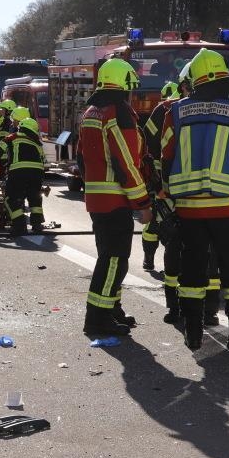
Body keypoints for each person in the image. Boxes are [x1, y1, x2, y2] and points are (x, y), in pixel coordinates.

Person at [161, 48, 229, 351]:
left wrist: (170, 200)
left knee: (192, 272)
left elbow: (166, 160)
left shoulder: (175, 112)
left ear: (195, 79)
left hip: (189, 211)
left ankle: (193, 333)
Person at [79, 58, 152, 337]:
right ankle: (98, 319)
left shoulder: (91, 112)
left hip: (97, 198)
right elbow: (126, 162)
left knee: (109, 259)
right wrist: (142, 203)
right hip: (116, 199)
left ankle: (111, 310)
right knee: (114, 261)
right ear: (124, 85)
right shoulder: (118, 112)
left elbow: (82, 158)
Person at [140, 80, 182, 271]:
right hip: (176, 178)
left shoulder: (161, 109)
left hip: (159, 177)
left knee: (157, 220)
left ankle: (150, 259)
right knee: (171, 221)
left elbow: (146, 142)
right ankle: (172, 266)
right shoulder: (192, 109)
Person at [0, 116, 45, 235]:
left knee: (11, 199)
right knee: (34, 198)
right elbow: (43, 161)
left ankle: (20, 225)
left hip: (18, 172)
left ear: (21, 128)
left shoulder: (13, 137)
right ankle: (37, 224)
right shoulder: (37, 143)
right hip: (37, 173)